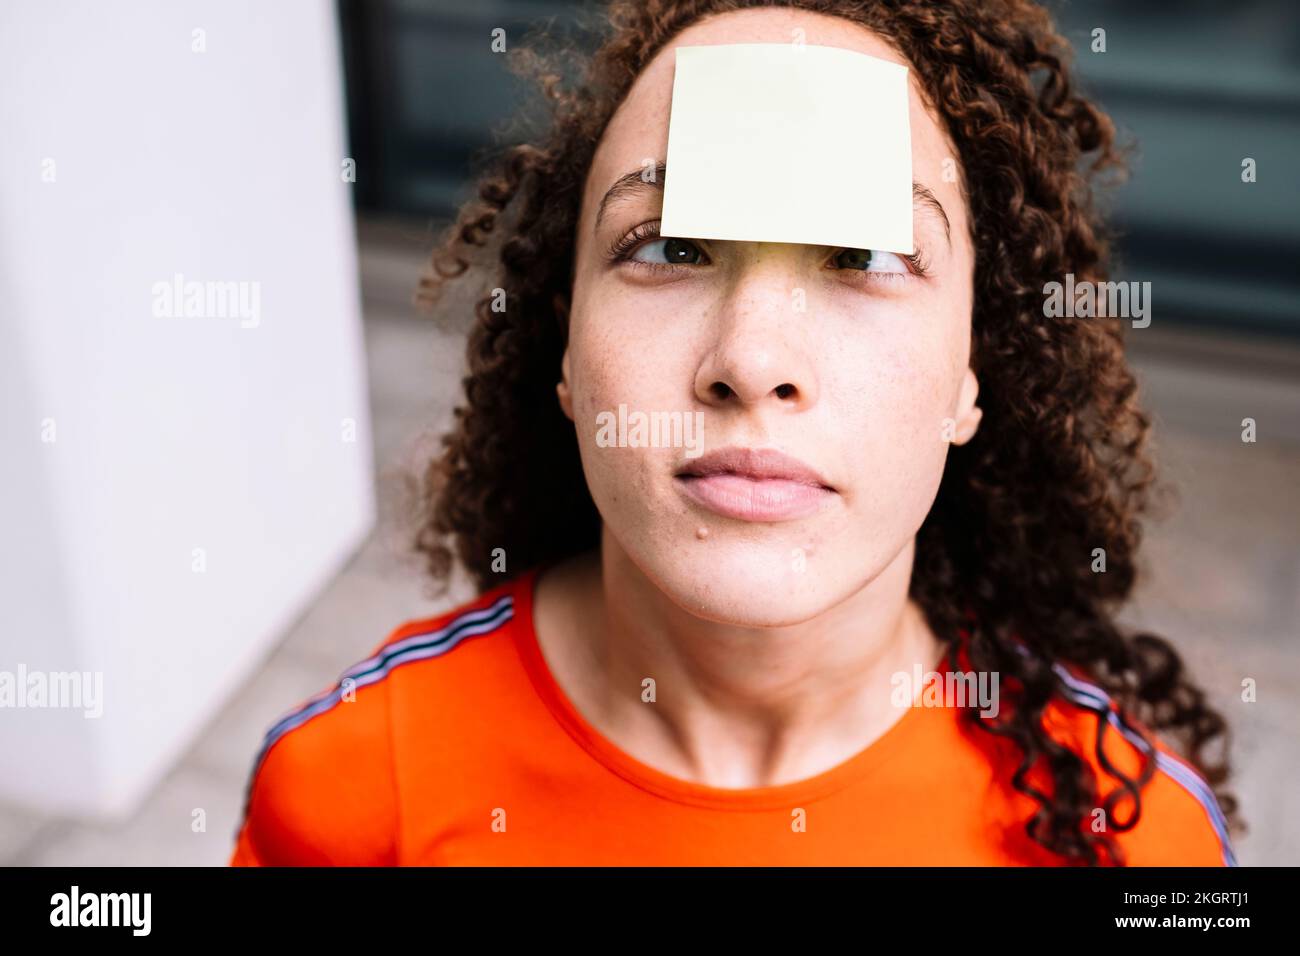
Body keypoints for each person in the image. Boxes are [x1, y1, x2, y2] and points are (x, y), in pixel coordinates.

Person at [231, 0, 1238, 866]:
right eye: (668, 246)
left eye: (863, 255)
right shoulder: (354, 784)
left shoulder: (1133, 837)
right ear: (566, 355)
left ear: (971, 377)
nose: (752, 359)